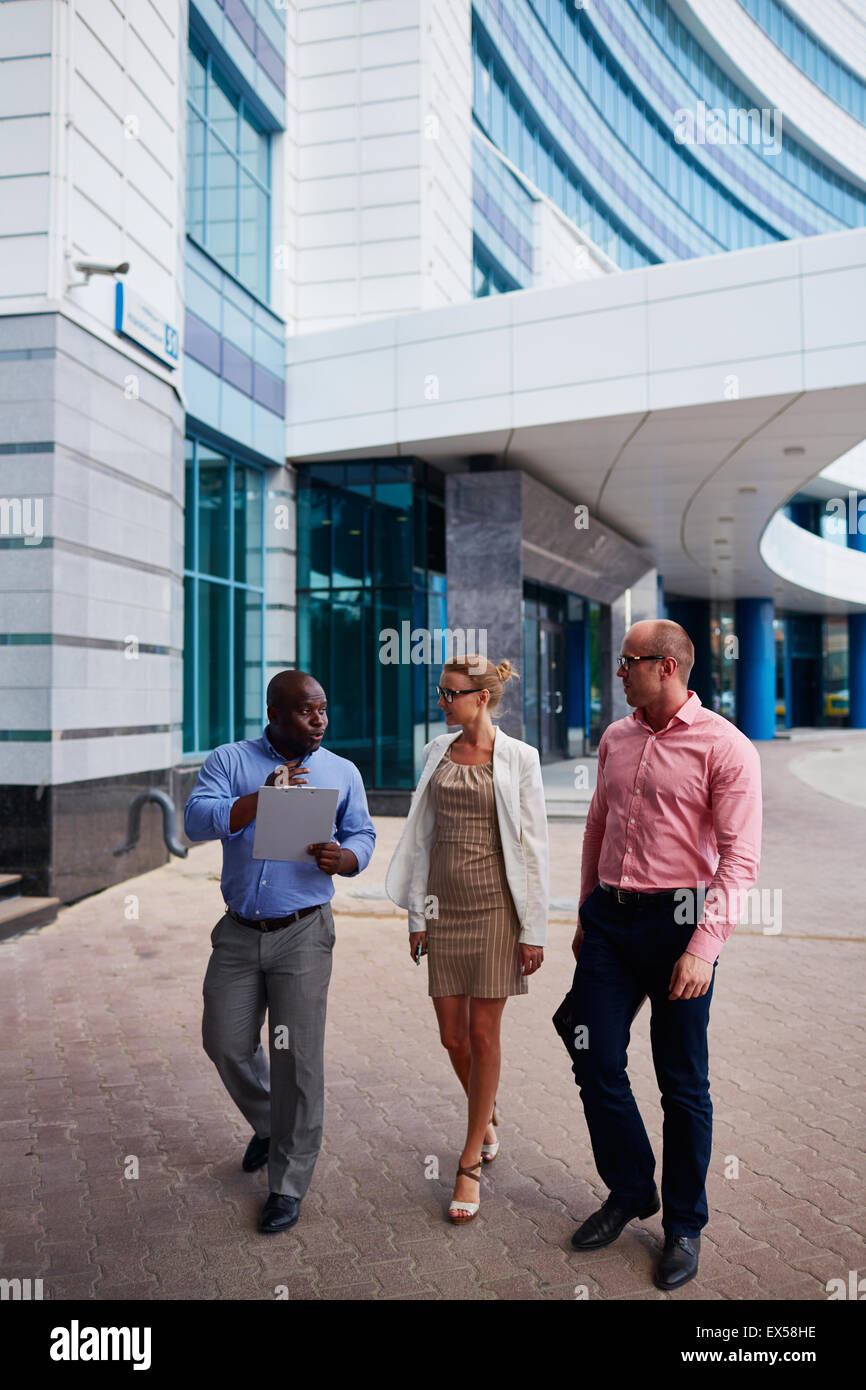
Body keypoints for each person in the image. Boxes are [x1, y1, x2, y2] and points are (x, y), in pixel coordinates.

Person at [565, 620, 762, 1290]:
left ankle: (683, 1224)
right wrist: (587, 910)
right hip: (612, 921)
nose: (618, 673)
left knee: (682, 1083)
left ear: (667, 666)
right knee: (591, 1052)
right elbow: (597, 823)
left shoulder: (726, 747)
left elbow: (739, 860)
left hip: (681, 923)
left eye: (627, 663)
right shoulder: (616, 737)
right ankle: (629, 1189)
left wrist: (704, 949)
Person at [184, 670, 375, 1234]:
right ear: (274, 712)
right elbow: (197, 820)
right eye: (305, 711)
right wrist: (259, 801)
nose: (318, 720)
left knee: (298, 1060)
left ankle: (287, 1185)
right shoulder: (229, 760)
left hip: (304, 932)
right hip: (239, 932)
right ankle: (270, 1124)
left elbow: (361, 834)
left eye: (322, 710)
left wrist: (346, 859)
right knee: (223, 1040)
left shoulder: (342, 771)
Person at [386, 656, 549, 1223]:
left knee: (483, 1033)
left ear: (481, 698)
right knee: (452, 1039)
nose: (442, 702)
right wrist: (415, 915)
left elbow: (534, 849)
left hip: (497, 911)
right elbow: (422, 836)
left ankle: (470, 1158)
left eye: (451, 693)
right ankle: (488, 1112)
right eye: (440, 692)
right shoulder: (436, 751)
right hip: (443, 907)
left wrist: (534, 929)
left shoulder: (520, 759)